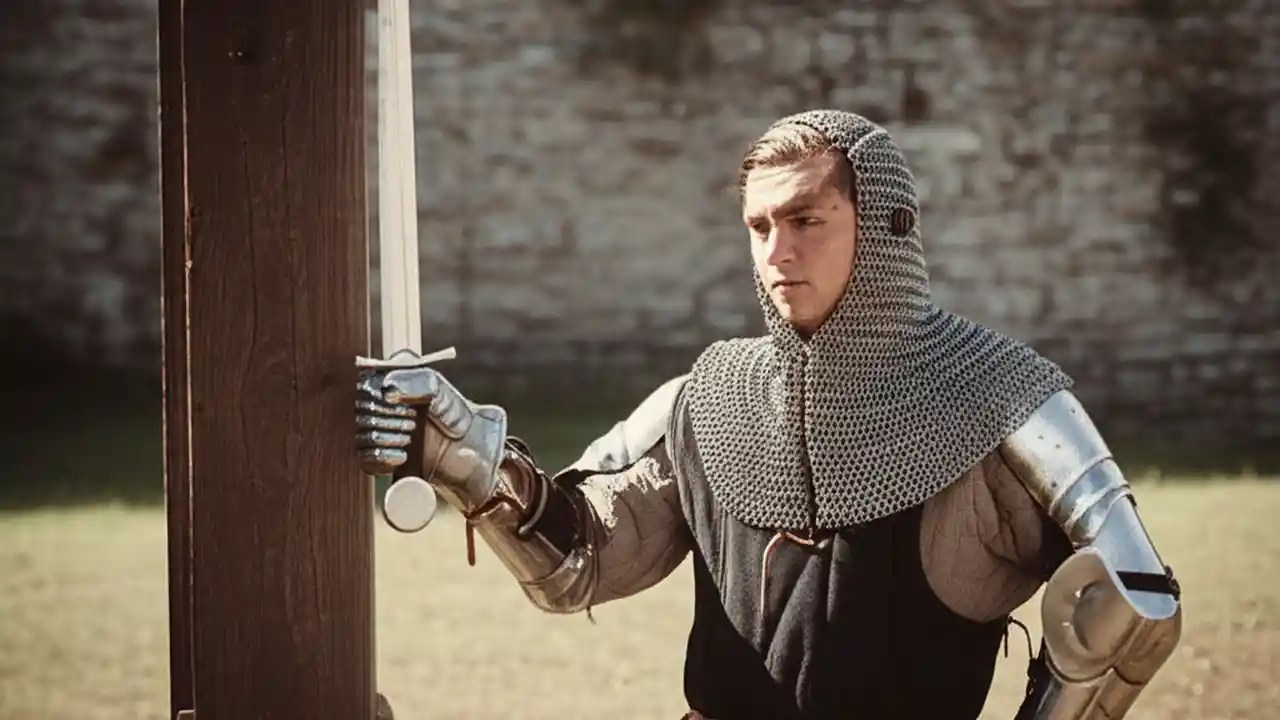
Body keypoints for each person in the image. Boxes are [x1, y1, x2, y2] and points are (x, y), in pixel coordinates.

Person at [355, 110, 1182, 719]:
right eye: (759, 225)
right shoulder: (708, 398)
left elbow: (1135, 603)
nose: (777, 251)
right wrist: (466, 456)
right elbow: (577, 565)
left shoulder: (999, 398)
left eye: (805, 220)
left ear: (888, 229)